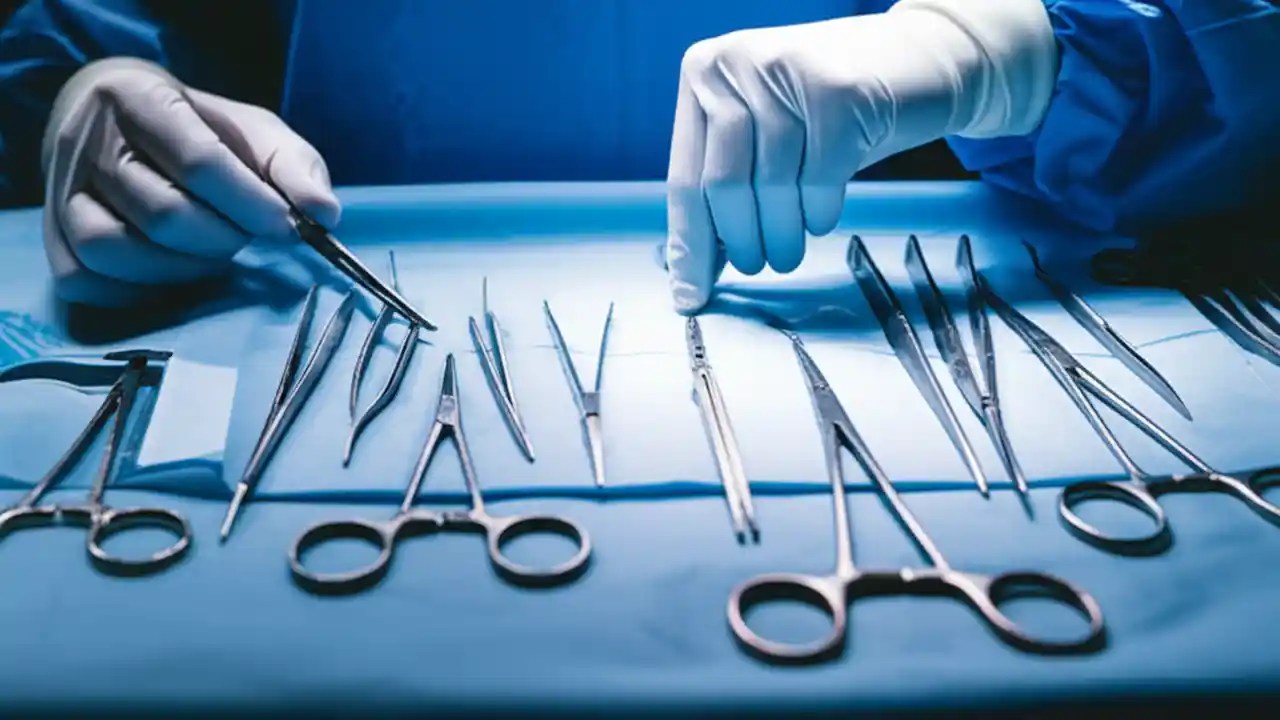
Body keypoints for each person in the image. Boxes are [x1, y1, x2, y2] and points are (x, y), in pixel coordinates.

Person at [0, 1, 1276, 312]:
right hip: (285, 267)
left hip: (973, 256)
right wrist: (88, 86)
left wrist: (1013, 44)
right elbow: (90, 28)